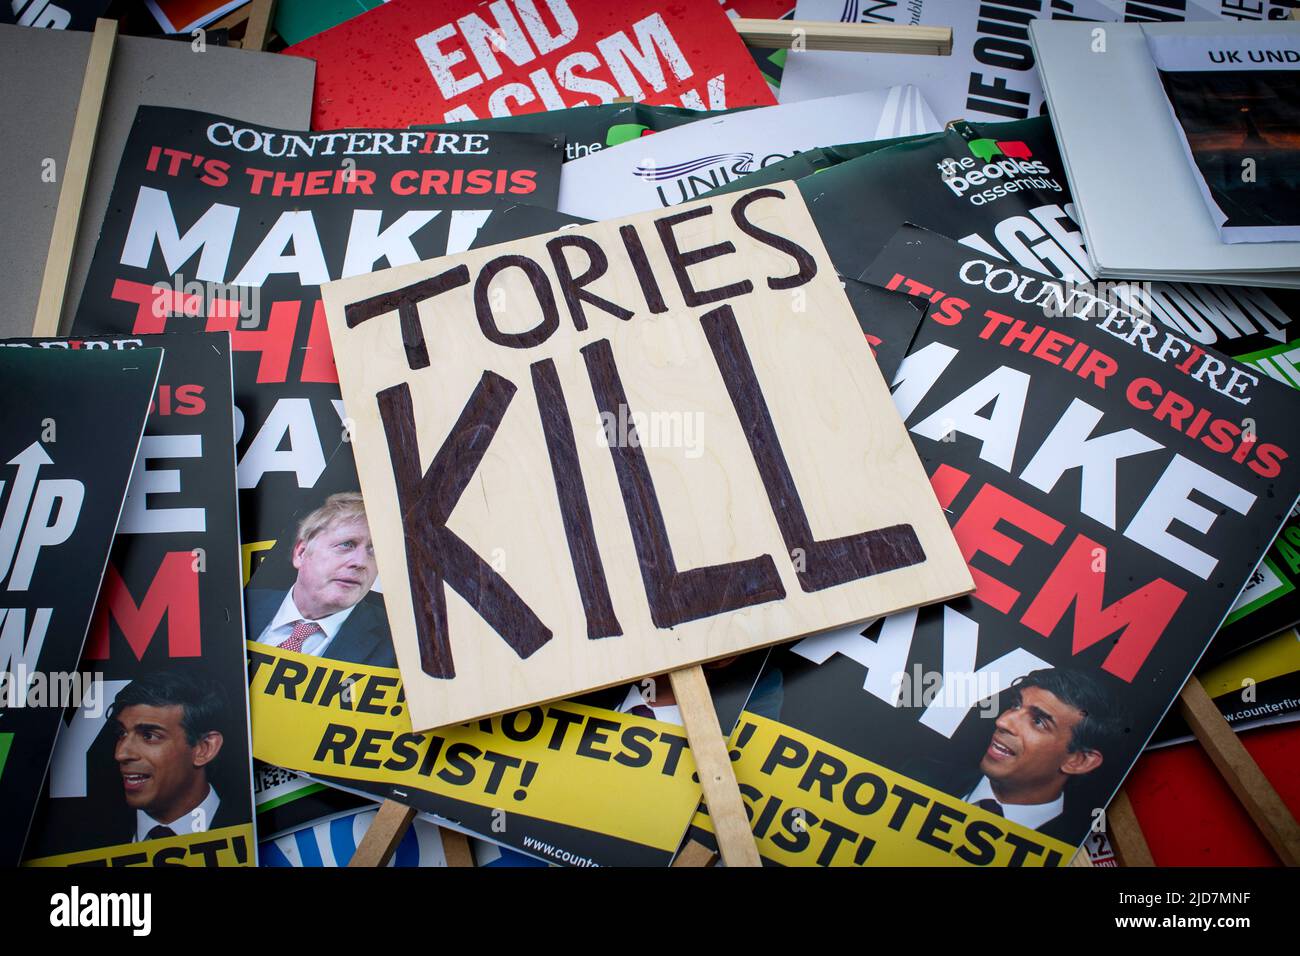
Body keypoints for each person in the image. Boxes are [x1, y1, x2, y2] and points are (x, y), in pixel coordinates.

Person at [913, 667, 1126, 841]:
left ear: (1079, 761)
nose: (1002, 721)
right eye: (1015, 705)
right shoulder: (917, 775)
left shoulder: (1076, 844)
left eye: (1038, 721)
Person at [246, 492, 395, 667]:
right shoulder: (240, 604)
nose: (360, 562)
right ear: (301, 553)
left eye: (374, 551)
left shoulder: (398, 644)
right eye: (346, 544)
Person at [111, 671, 228, 841]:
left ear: (205, 748)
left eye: (149, 736)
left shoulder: (253, 822)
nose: (120, 754)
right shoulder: (86, 841)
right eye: (121, 733)